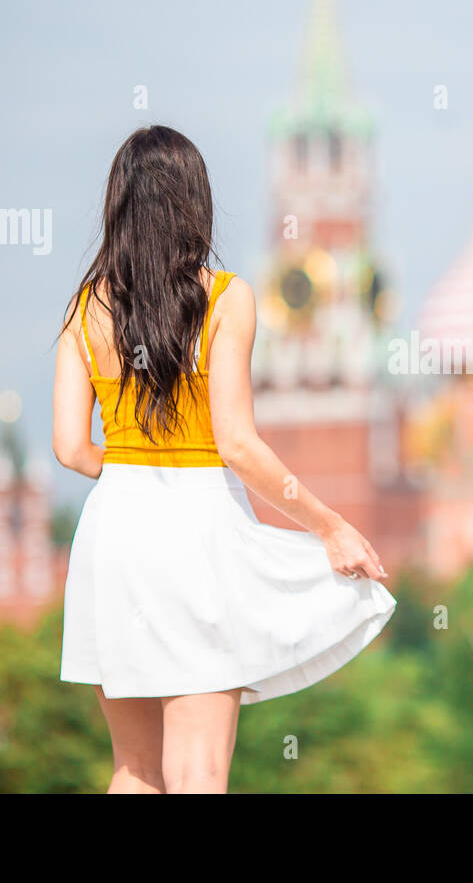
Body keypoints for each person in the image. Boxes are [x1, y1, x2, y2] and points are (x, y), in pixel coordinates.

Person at [52, 125, 395, 793]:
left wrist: (130, 469)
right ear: (194, 203)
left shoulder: (84, 308)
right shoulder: (226, 298)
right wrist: (328, 525)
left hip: (112, 536)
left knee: (133, 769)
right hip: (197, 537)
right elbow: (235, 443)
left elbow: (69, 448)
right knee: (199, 768)